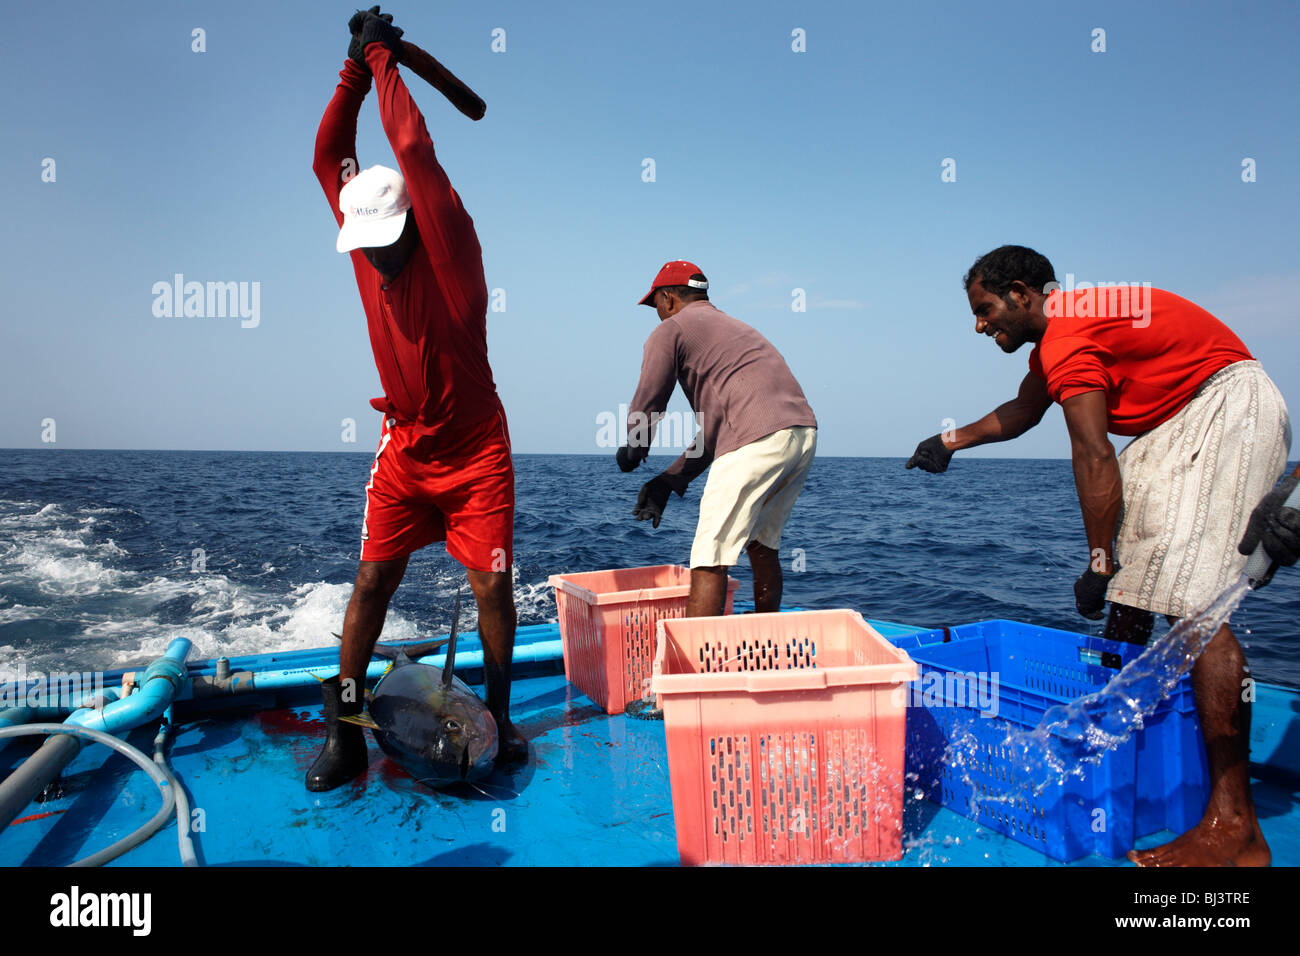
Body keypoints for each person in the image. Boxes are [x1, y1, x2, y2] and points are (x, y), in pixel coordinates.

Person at [906, 245, 1291, 866]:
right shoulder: (1064, 334)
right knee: (1134, 596)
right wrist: (950, 441)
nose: (980, 325)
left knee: (1195, 606)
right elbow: (1025, 410)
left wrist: (1098, 559)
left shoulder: (1068, 335)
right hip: (1177, 422)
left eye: (984, 309)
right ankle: (1118, 757)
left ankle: (1234, 826)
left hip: (1222, 409)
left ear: (1022, 293)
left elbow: (1092, 454)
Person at [306, 8, 524, 791]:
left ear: (409, 226)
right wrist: (351, 74)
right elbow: (330, 155)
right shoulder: (367, 235)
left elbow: (416, 150)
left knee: (492, 584)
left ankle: (500, 721)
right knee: (371, 582)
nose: (367, 257)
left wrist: (383, 62)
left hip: (475, 448)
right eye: (357, 245)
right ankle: (347, 731)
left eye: (378, 243)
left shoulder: (448, 245)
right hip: (404, 448)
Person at [617, 261, 818, 618]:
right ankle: (767, 638)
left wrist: (634, 446)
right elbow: (722, 431)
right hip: (801, 434)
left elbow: (652, 396)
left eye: (656, 307)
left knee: (709, 555)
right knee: (761, 544)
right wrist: (669, 481)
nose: (658, 316)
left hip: (757, 441)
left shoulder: (671, 330)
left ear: (668, 299)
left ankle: (695, 667)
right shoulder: (737, 330)